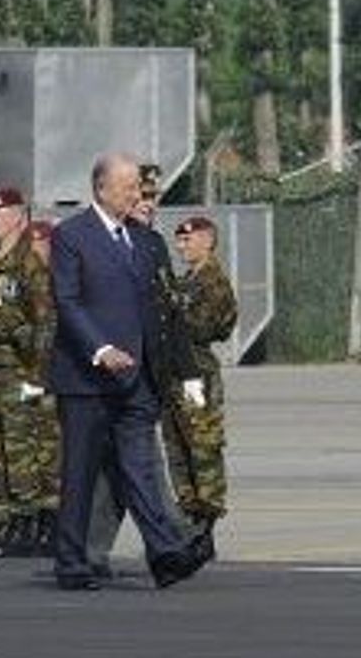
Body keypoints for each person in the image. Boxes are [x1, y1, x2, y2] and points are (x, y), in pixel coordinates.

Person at [46, 151, 203, 591]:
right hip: (87, 378)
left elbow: (163, 313)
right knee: (80, 473)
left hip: (137, 378)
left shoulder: (148, 242)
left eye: (138, 186)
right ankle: (72, 562)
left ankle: (165, 553)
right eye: (129, 186)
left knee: (139, 469)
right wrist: (100, 348)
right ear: (102, 189)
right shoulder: (71, 236)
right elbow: (68, 301)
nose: (137, 193)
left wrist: (179, 372)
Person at [0, 188, 58, 559]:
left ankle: (27, 521)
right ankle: (3, 522)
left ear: (19, 217)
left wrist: (36, 371)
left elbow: (46, 323)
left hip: (18, 369)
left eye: (0, 215)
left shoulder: (29, 262)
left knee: (21, 450)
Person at [159, 214, 241, 566]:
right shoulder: (185, 281)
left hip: (197, 373)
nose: (182, 247)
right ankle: (190, 515)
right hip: (173, 373)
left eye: (188, 240)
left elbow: (207, 326)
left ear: (208, 240)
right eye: (179, 241)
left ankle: (205, 524)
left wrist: (172, 310)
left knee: (202, 447)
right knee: (177, 447)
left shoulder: (213, 282)